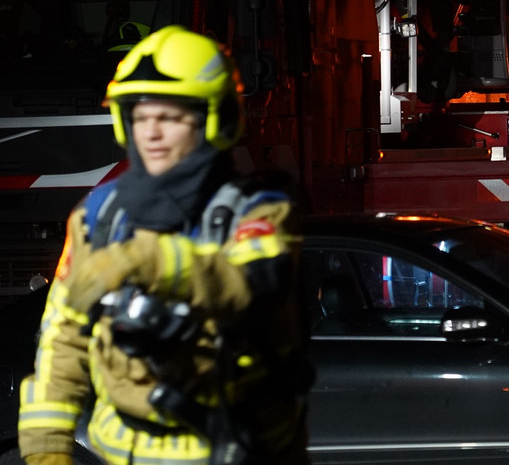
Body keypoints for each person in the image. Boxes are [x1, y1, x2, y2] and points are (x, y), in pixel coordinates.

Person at [18, 25, 310, 465]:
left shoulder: (256, 211)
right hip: (120, 451)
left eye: (170, 117)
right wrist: (45, 445)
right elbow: (63, 339)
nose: (151, 132)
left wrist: (145, 260)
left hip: (238, 449)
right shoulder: (100, 214)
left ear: (216, 119)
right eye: (139, 116)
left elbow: (251, 287)